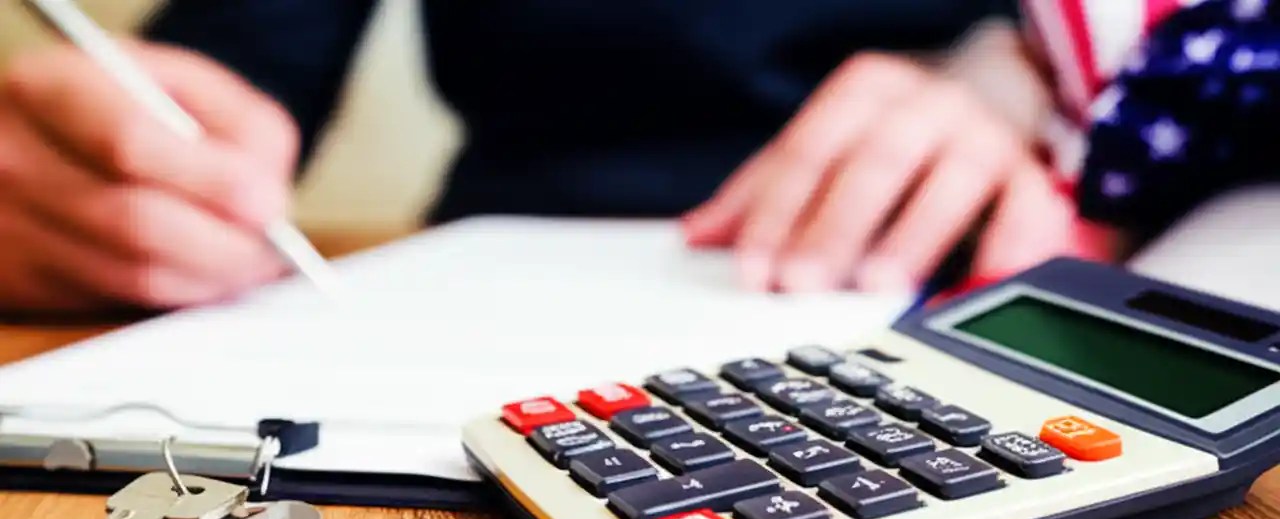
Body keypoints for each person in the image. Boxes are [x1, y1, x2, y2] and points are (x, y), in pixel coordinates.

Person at [0, 1, 1083, 314]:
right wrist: (107, 172)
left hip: (942, 292)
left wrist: (1030, 69)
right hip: (473, 299)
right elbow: (217, 84)